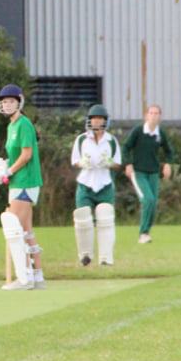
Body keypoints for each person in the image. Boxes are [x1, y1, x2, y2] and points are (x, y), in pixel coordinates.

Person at [0, 84, 45, 289]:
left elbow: (26, 155)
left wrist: (9, 171)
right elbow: (14, 156)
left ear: (19, 102)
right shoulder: (11, 126)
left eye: (11, 101)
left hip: (26, 181)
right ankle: (38, 277)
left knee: (15, 229)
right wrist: (1, 166)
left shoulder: (23, 124)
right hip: (16, 182)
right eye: (4, 102)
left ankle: (24, 278)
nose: (7, 105)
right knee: (27, 230)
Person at [70, 104, 121, 267]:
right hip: (85, 183)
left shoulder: (111, 141)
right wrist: (83, 163)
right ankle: (85, 256)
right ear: (89, 121)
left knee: (105, 218)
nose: (97, 122)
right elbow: (75, 161)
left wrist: (108, 163)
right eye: (94, 119)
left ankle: (106, 258)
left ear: (105, 121)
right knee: (83, 218)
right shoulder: (81, 140)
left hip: (105, 183)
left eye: (100, 119)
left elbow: (118, 163)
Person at [122, 104, 176, 244]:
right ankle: (143, 234)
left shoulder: (160, 134)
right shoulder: (138, 131)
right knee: (147, 199)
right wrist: (128, 164)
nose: (153, 115)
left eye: (156, 113)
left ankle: (147, 232)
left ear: (160, 116)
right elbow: (126, 148)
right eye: (151, 113)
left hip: (153, 173)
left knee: (153, 202)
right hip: (139, 172)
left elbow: (169, 151)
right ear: (146, 115)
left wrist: (167, 165)